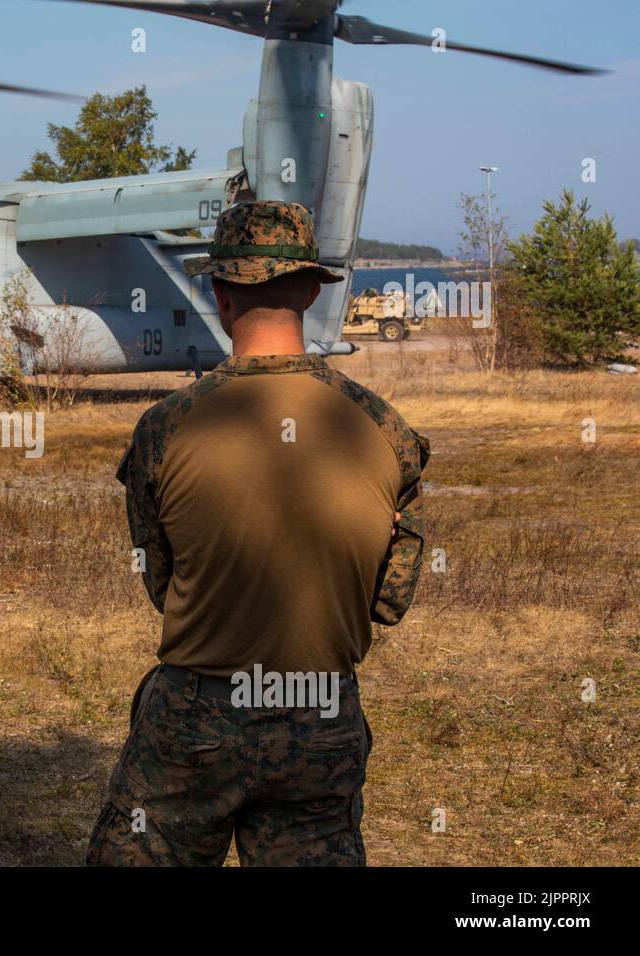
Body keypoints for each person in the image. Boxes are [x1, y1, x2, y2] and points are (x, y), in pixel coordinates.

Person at [86, 200, 429, 866]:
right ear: (310, 290)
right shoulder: (387, 430)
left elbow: (163, 585)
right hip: (323, 717)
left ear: (219, 293)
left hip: (197, 719)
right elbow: (390, 601)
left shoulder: (166, 427)